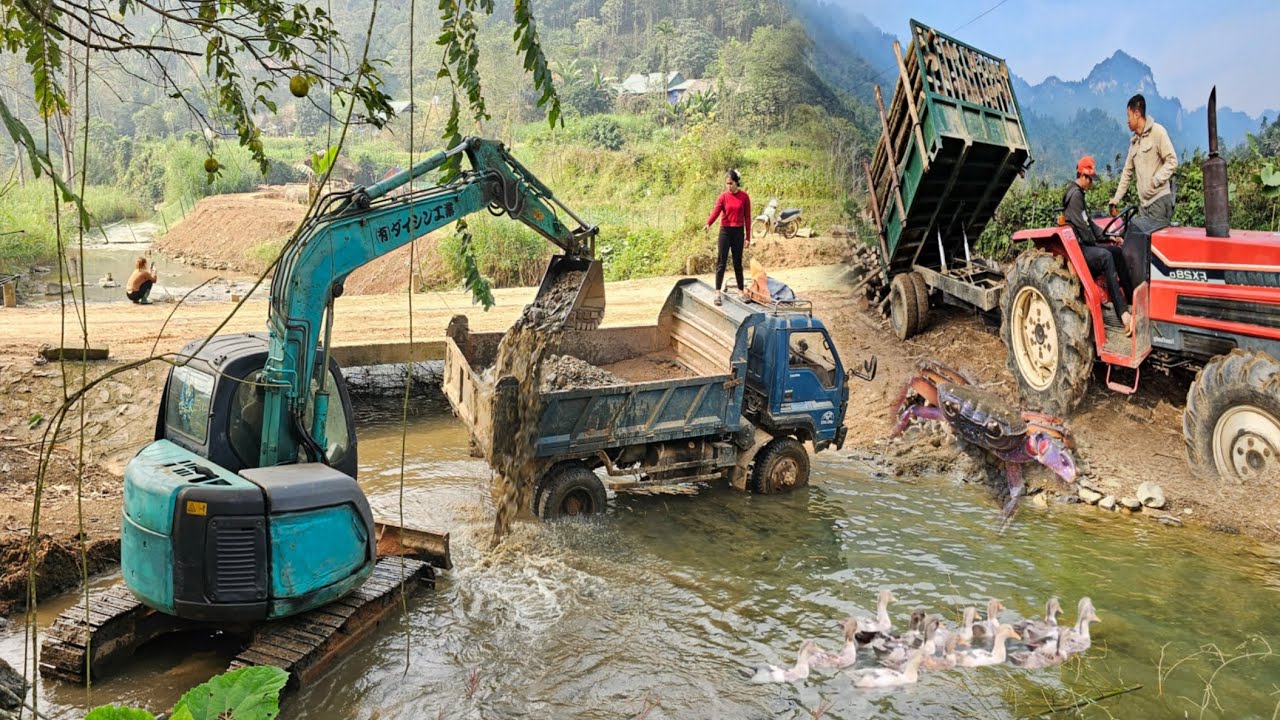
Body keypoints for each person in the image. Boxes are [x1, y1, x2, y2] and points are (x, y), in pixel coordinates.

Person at [1065, 156, 1132, 334]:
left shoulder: (1080, 194)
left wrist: (1109, 236)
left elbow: (1089, 224)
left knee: (1116, 251)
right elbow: (1082, 228)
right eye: (1091, 180)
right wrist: (1097, 243)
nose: (1092, 184)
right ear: (1084, 176)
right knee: (1106, 257)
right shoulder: (1074, 196)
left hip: (1086, 244)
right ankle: (1122, 312)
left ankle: (1132, 300)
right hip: (1079, 249)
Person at [1110, 94, 1178, 229]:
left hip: (1159, 200)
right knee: (1142, 245)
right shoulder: (1134, 142)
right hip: (1144, 205)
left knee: (1155, 245)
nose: (1127, 120)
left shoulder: (1158, 132)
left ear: (1136, 114)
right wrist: (1116, 199)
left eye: (1128, 116)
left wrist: (1157, 179)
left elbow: (1172, 161)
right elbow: (1127, 172)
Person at [704, 169, 752, 306]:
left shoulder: (744, 197)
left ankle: (741, 291)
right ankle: (717, 293)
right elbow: (716, 211)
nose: (728, 186)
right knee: (721, 263)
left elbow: (747, 217)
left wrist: (748, 237)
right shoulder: (723, 197)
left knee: (738, 263)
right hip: (725, 231)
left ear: (737, 182)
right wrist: (708, 223)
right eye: (727, 184)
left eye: (731, 183)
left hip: (738, 232)